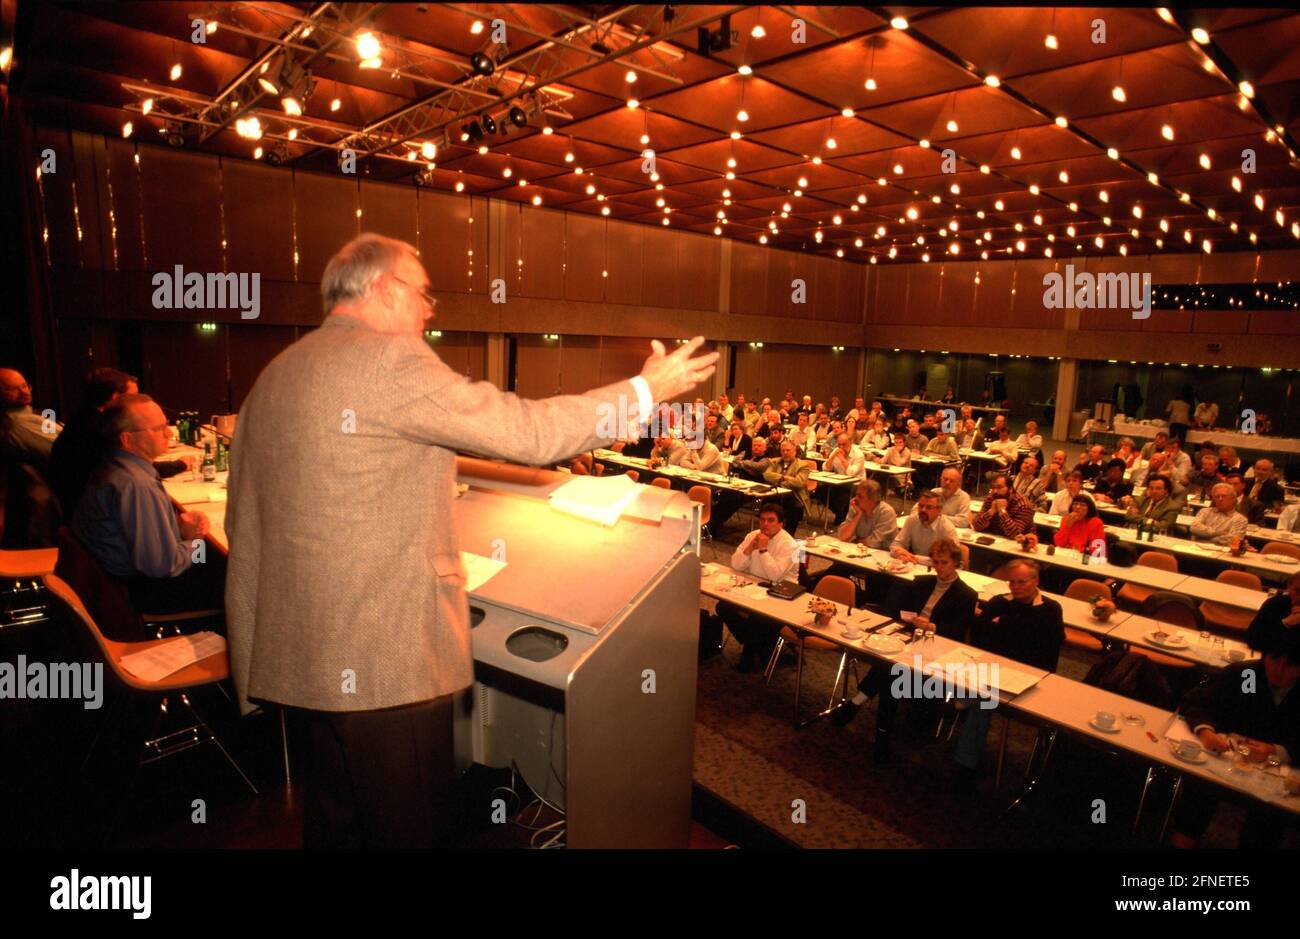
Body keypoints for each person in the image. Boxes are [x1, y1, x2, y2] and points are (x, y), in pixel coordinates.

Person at [224, 233, 717, 848]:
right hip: (386, 663)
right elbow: (530, 432)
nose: (431, 311)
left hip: (303, 656)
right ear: (385, 288)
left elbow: (242, 519)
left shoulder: (277, 373)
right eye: (425, 295)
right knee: (407, 832)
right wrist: (646, 390)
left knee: (337, 824)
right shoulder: (386, 361)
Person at [73, 394, 225, 615]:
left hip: (127, 579)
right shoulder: (138, 485)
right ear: (127, 440)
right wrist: (196, 541)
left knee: (213, 553)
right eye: (158, 428)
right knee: (238, 570)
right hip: (146, 592)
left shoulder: (116, 467)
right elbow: (162, 566)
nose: (169, 433)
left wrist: (179, 528)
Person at [832, 538, 975, 762]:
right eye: (936, 562)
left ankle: (857, 704)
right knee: (892, 669)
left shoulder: (966, 594)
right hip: (908, 636)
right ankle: (880, 736)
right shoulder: (922, 582)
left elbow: (957, 630)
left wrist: (931, 626)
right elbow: (901, 609)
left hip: (936, 645)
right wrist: (909, 621)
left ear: (956, 563)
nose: (939, 568)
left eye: (944, 563)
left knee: (892, 669)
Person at [1169, 632, 1300, 848]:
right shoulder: (1243, 673)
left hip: (1279, 774)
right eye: (1274, 660)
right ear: (1264, 656)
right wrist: (1206, 732)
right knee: (1200, 788)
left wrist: (1277, 750)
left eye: (1291, 666)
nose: (1279, 670)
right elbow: (1196, 703)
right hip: (1227, 756)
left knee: (1270, 815)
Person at [954, 559, 1063, 791]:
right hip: (993, 669)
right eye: (1011, 582)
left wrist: (1003, 624)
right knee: (978, 692)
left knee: (980, 701)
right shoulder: (999, 601)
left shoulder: (1051, 609)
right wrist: (1010, 628)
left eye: (1021, 582)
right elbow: (980, 635)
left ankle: (965, 765)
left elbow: (1044, 648)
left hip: (1031, 676)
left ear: (1036, 581)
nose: (1015, 587)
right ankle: (961, 705)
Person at [48, 368, 144, 517]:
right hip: (93, 513)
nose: (138, 401)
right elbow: (132, 468)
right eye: (134, 396)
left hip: (83, 503)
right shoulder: (98, 429)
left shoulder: (84, 418)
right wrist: (179, 464)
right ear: (115, 397)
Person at [718, 503, 798, 674]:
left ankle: (749, 654)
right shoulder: (753, 535)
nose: (765, 524)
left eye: (771, 520)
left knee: (758, 617)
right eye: (762, 520)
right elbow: (735, 565)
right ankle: (760, 648)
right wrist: (749, 549)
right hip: (754, 587)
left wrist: (762, 550)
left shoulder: (790, 545)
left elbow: (775, 576)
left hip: (781, 592)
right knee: (722, 606)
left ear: (780, 524)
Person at [0, 367, 61, 474]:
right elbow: (68, 453)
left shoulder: (29, 412)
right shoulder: (20, 424)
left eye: (24, 386)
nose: (24, 392)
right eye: (11, 389)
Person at [891, 490, 958, 563]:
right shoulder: (912, 520)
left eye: (929, 507)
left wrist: (914, 558)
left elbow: (949, 559)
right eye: (921, 506)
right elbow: (896, 545)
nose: (923, 510)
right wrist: (900, 554)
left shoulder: (947, 528)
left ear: (939, 510)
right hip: (913, 565)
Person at [763, 439, 811, 534]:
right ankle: (767, 532)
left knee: (793, 506)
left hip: (795, 496)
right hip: (775, 494)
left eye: (788, 450)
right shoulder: (775, 461)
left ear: (795, 451)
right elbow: (767, 475)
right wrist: (784, 477)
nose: (785, 452)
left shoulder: (803, 465)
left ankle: (788, 536)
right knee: (767, 501)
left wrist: (778, 482)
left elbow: (799, 483)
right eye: (783, 450)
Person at [1247, 571, 1300, 654]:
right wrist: (1285, 623)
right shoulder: (1275, 604)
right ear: (1289, 587)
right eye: (1297, 591)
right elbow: (1253, 641)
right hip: (1272, 662)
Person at [835, 479, 896, 550]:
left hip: (884, 553)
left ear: (872, 500)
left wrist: (856, 541)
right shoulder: (856, 508)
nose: (855, 499)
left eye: (860, 496)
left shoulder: (886, 512)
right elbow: (842, 536)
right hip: (862, 550)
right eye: (856, 495)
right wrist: (858, 515)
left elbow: (874, 543)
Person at [971, 473, 1035, 538]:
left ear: (1010, 489)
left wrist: (1002, 511)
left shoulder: (1023, 505)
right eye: (993, 488)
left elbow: (1015, 535)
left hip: (1019, 544)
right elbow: (976, 526)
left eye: (999, 487)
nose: (995, 491)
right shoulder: (991, 498)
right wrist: (990, 512)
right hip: (993, 539)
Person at [824, 433, 866, 524]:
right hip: (838, 482)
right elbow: (825, 468)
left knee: (843, 492)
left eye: (844, 444)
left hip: (856, 484)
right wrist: (832, 457)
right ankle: (840, 513)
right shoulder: (836, 451)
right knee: (821, 490)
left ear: (850, 443)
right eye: (839, 444)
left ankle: (841, 516)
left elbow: (852, 473)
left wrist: (842, 458)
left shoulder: (859, 455)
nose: (841, 447)